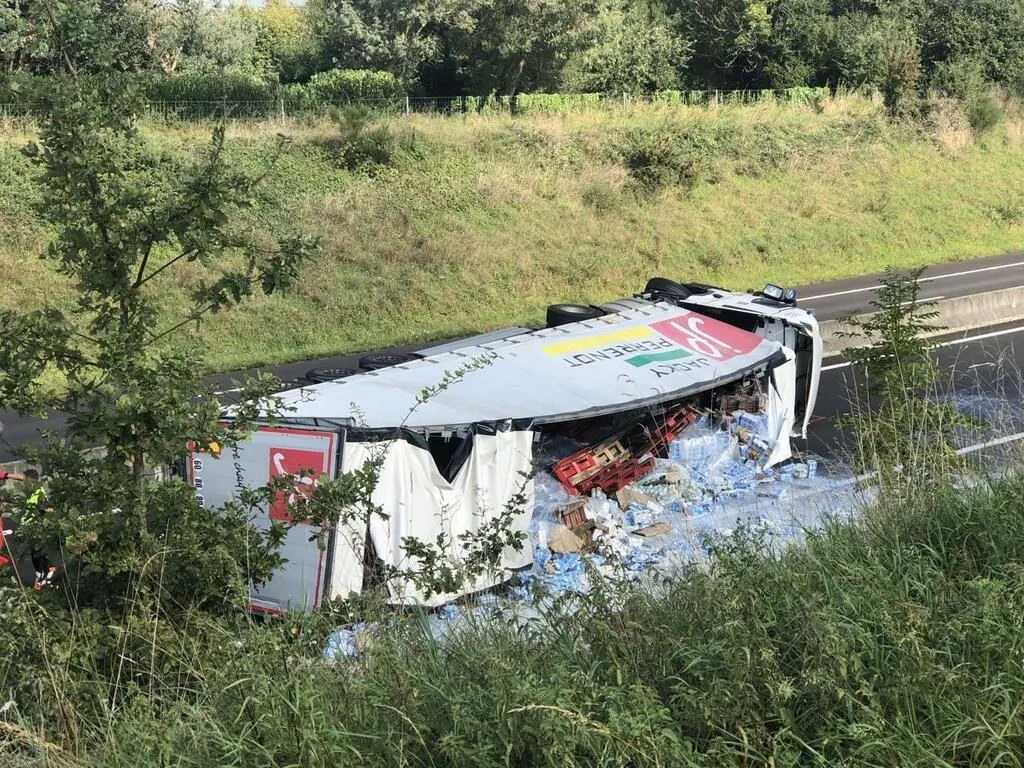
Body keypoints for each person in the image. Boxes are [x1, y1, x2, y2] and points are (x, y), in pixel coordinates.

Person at [19, 469, 57, 590]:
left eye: (24, 479)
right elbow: (18, 477)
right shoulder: (30, 489)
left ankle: (44, 577)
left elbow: (48, 508)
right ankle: (43, 572)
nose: (22, 481)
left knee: (37, 554)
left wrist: (51, 518)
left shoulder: (38, 492)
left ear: (30, 480)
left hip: (35, 528)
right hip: (28, 527)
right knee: (34, 554)